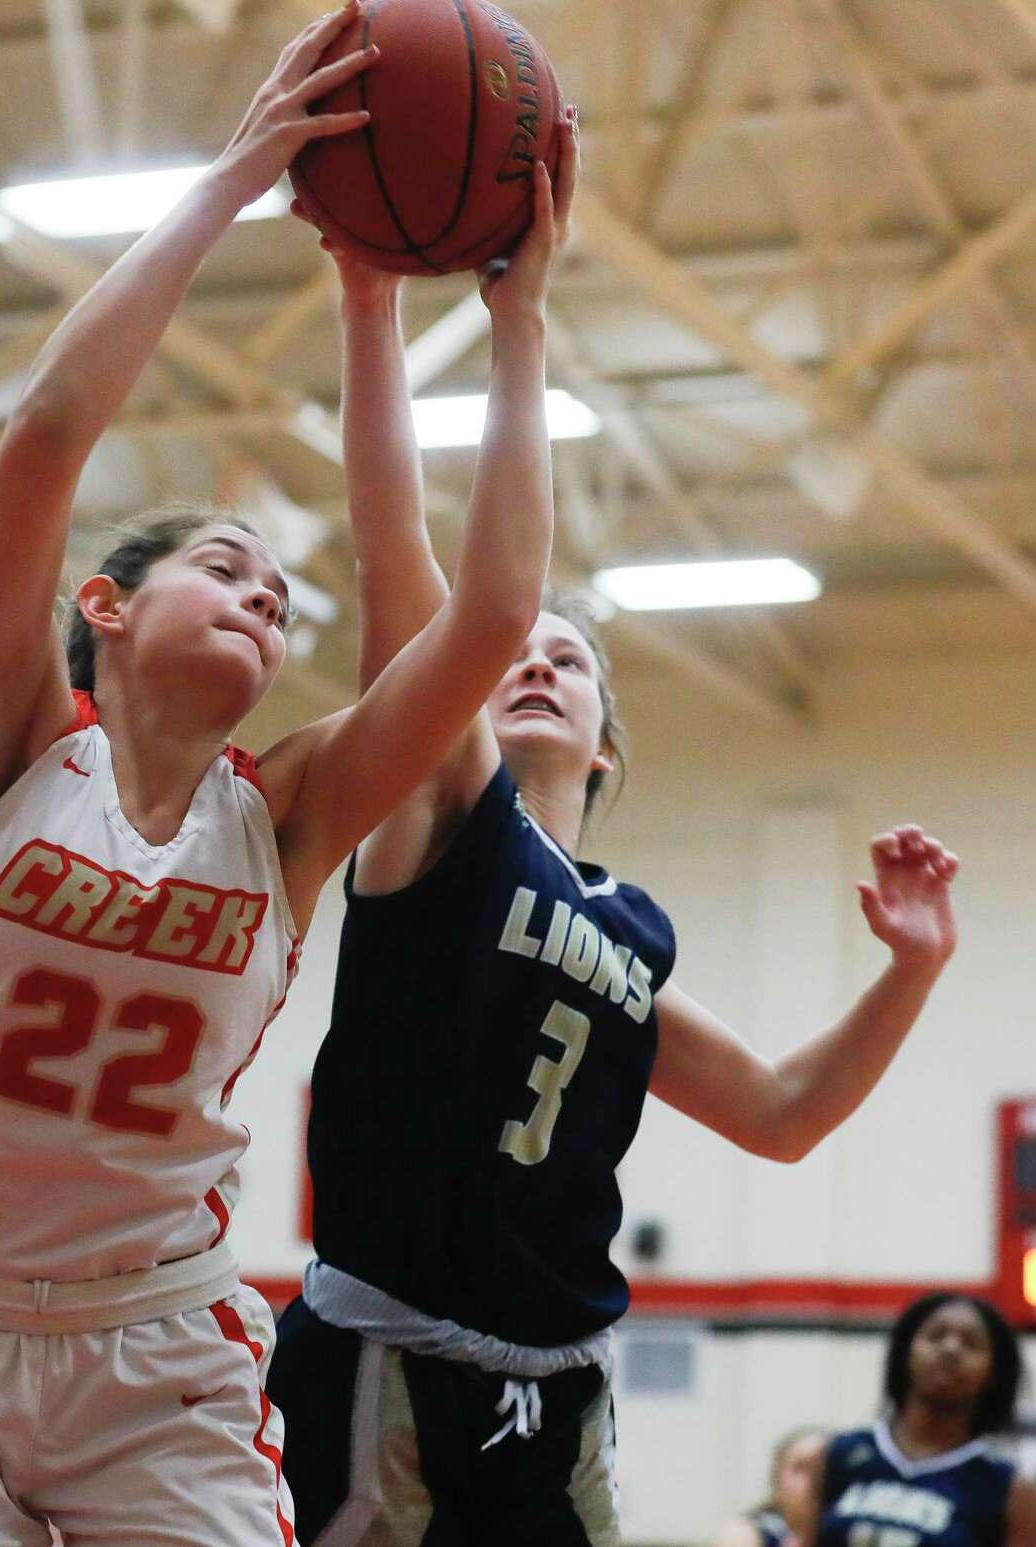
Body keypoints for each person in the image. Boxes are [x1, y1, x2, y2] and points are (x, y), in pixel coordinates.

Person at [0, 6, 563, 1542]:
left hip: (161, 1351)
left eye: (277, 597)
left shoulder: (286, 812)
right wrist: (234, 182)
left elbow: (489, 610)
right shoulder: (9, 750)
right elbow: (42, 432)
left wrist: (510, 324)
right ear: (102, 608)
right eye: (226, 565)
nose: (264, 594)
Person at [267, 129, 964, 1545]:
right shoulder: (448, 805)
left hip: (562, 1385)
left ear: (608, 744)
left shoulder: (627, 933)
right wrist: (379, 306)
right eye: (522, 644)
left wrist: (910, 969)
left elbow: (781, 1113)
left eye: (570, 661)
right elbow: (398, 545)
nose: (534, 658)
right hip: (395, 1352)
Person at [807, 1294, 1035, 1547]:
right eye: (935, 1336)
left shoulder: (1008, 1488)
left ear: (994, 1373)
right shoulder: (837, 1455)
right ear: (906, 1351)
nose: (950, 1349)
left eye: (971, 1344)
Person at [716, 1427, 830, 1547]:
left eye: (822, 1468)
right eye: (801, 1467)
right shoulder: (747, 1534)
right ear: (777, 1484)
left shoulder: (846, 1530)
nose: (814, 1478)